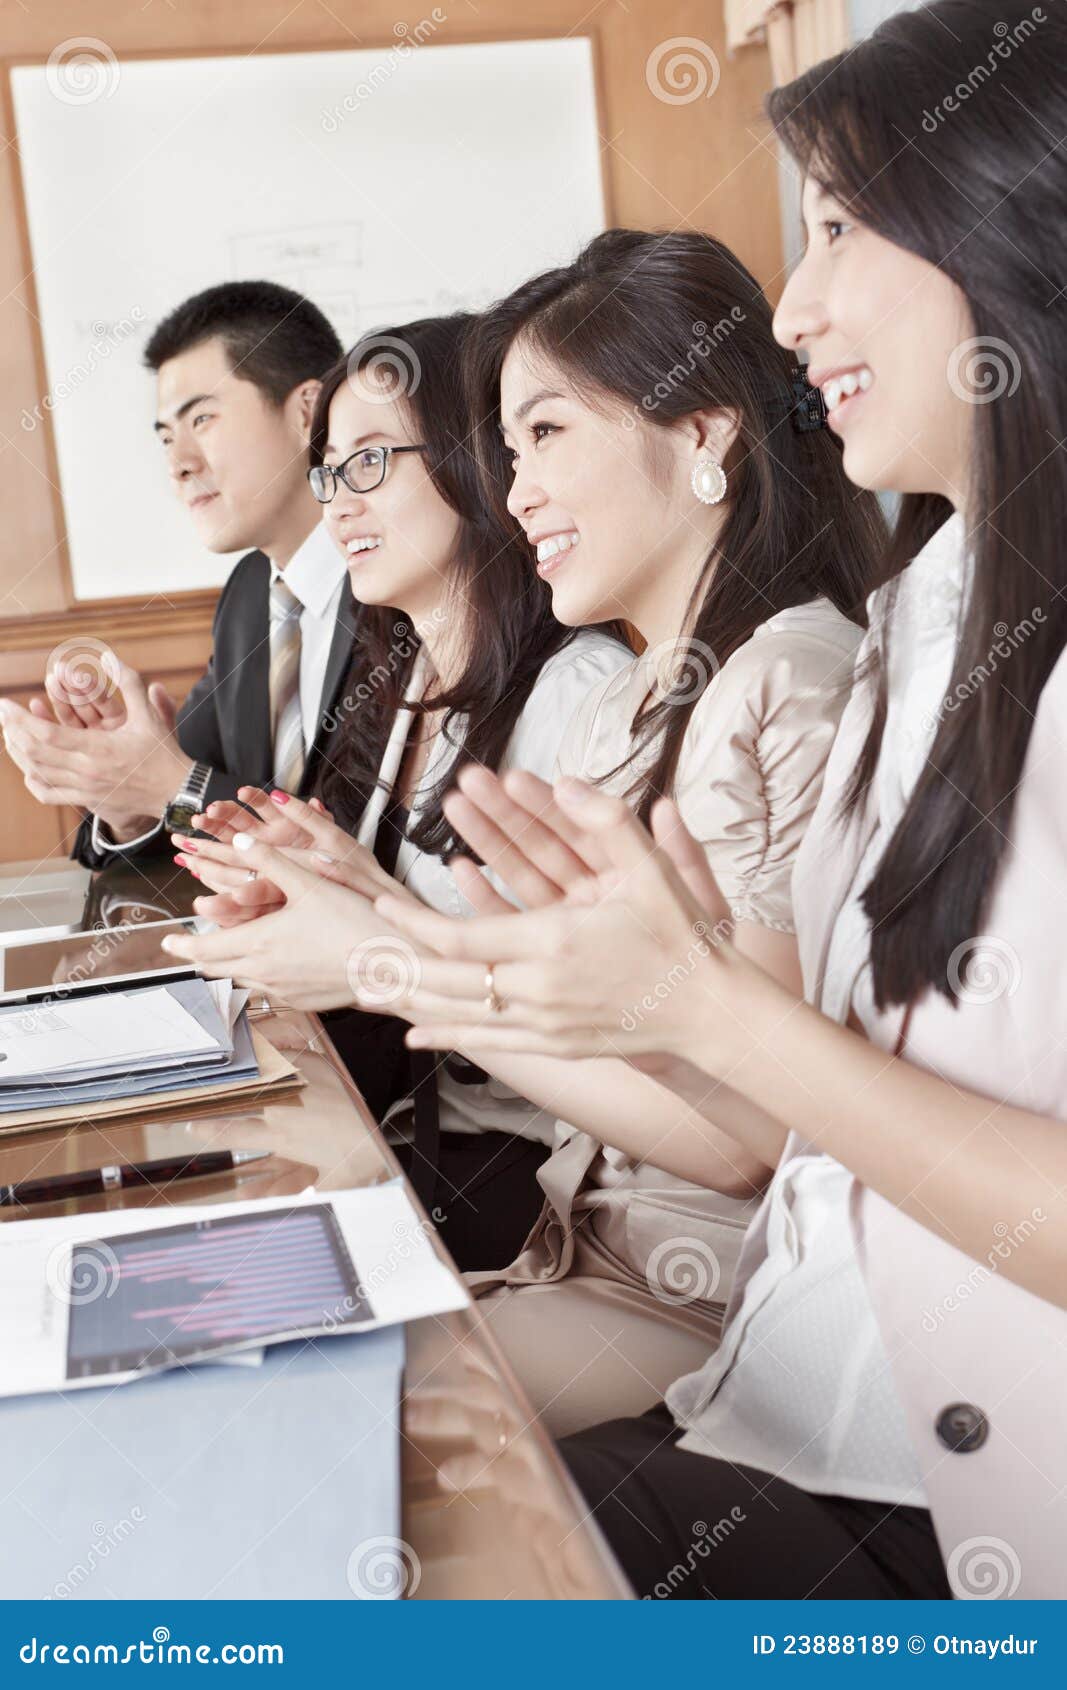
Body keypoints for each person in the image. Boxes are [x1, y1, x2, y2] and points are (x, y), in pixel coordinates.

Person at [364, 0, 1067, 1599]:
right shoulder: (917, 622)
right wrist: (616, 986)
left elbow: (758, 1110)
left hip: (947, 1520)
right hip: (765, 1413)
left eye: (836, 228)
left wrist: (484, 976)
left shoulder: (816, 661)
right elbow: (790, 1119)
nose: (796, 302)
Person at [170, 233, 883, 1426]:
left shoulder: (783, 682)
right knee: (220, 1351)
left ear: (702, 436)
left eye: (545, 436)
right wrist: (359, 901)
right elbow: (576, 1006)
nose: (515, 492)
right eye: (505, 451)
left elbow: (741, 1141)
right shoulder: (630, 698)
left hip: (712, 1294)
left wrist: (380, 951)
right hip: (584, 1239)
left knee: (285, 1415)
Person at [163, 313, 630, 1268]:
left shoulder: (578, 697)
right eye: (330, 470)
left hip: (531, 1171)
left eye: (372, 462)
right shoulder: (406, 678)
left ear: (476, 464)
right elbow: (396, 934)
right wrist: (309, 886)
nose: (337, 504)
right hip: (403, 1131)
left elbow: (594, 1016)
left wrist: (359, 933)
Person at [0, 281, 355, 868]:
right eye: (166, 436)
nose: (178, 463)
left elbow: (370, 853)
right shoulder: (249, 597)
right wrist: (124, 799)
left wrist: (173, 785)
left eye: (204, 419)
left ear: (307, 411)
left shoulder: (398, 580)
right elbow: (182, 820)